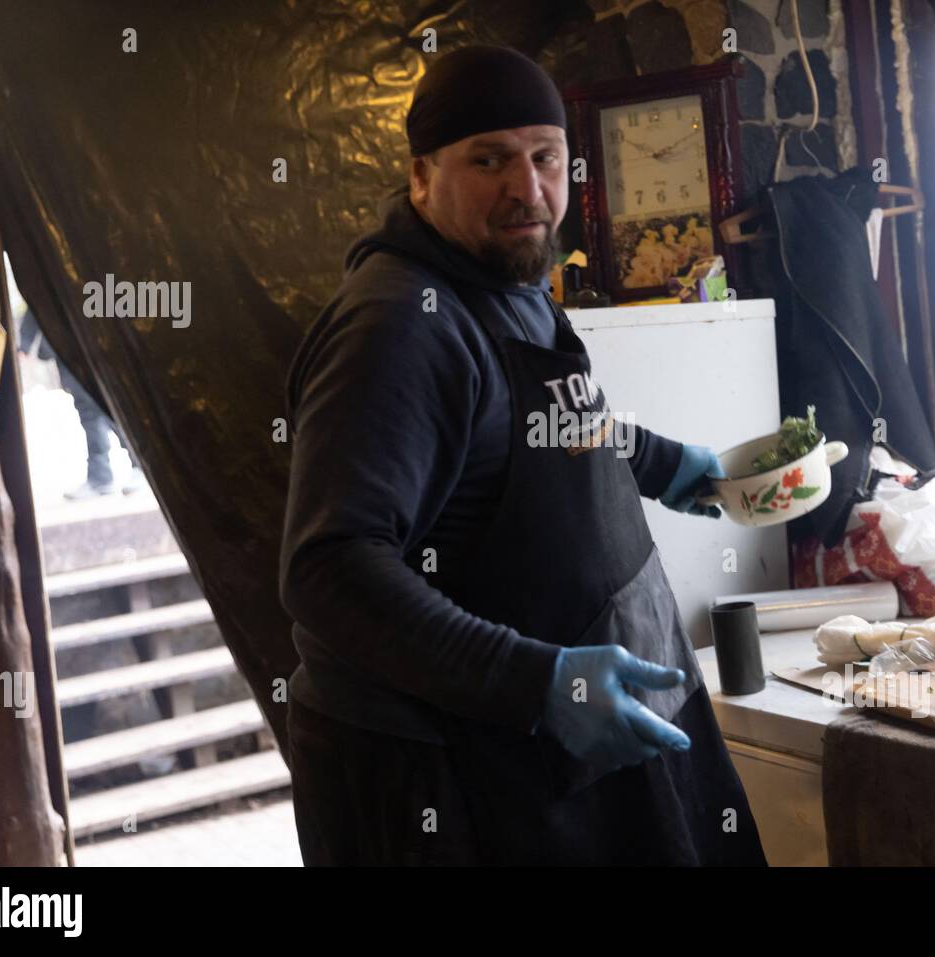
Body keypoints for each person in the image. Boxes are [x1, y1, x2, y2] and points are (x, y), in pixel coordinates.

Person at [279, 45, 767, 866]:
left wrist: (665, 463)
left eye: (546, 157)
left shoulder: (502, 285)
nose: (527, 188)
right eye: (490, 160)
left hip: (548, 760)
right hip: (444, 784)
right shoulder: (399, 328)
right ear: (421, 176)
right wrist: (536, 682)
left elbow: (546, 426)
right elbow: (327, 568)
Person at [15, 306, 146, 498]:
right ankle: (125, 469)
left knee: (102, 410)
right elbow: (37, 307)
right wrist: (24, 344)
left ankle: (119, 471)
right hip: (76, 350)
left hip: (94, 348)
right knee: (100, 410)